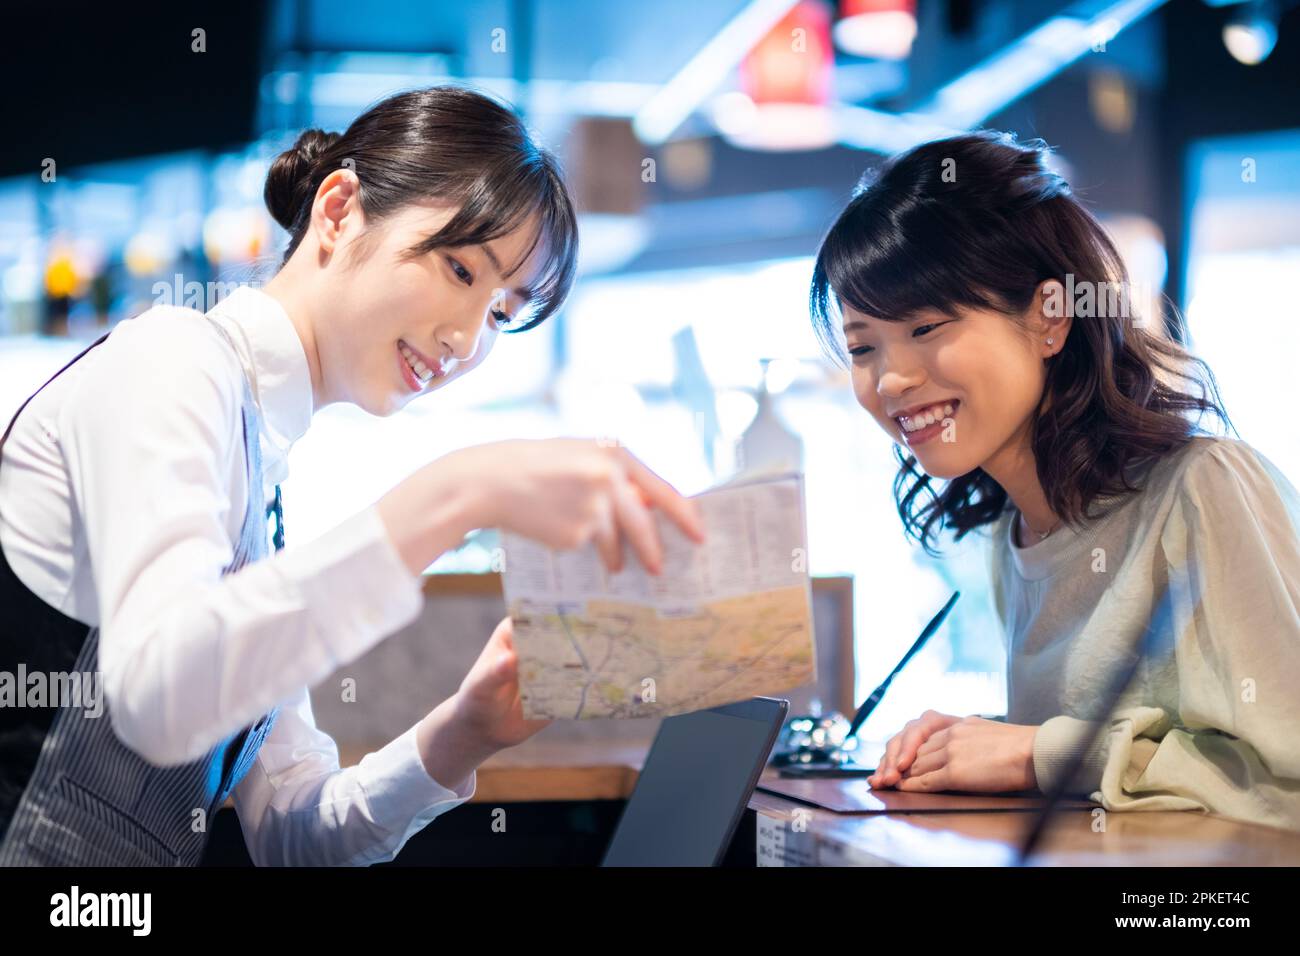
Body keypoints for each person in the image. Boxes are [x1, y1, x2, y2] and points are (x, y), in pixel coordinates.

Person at [0, 86, 704, 866]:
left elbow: (295, 832)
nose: (468, 339)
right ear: (338, 210)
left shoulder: (260, 484)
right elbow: (157, 699)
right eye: (462, 269)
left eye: (503, 312)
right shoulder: (172, 359)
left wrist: (464, 730)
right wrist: (460, 490)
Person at [808, 129, 1300, 831]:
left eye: (925, 327)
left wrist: (1038, 752)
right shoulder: (1015, 533)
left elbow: (1287, 778)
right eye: (862, 347)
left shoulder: (1205, 486)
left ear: (1049, 317)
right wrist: (978, 741)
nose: (891, 378)